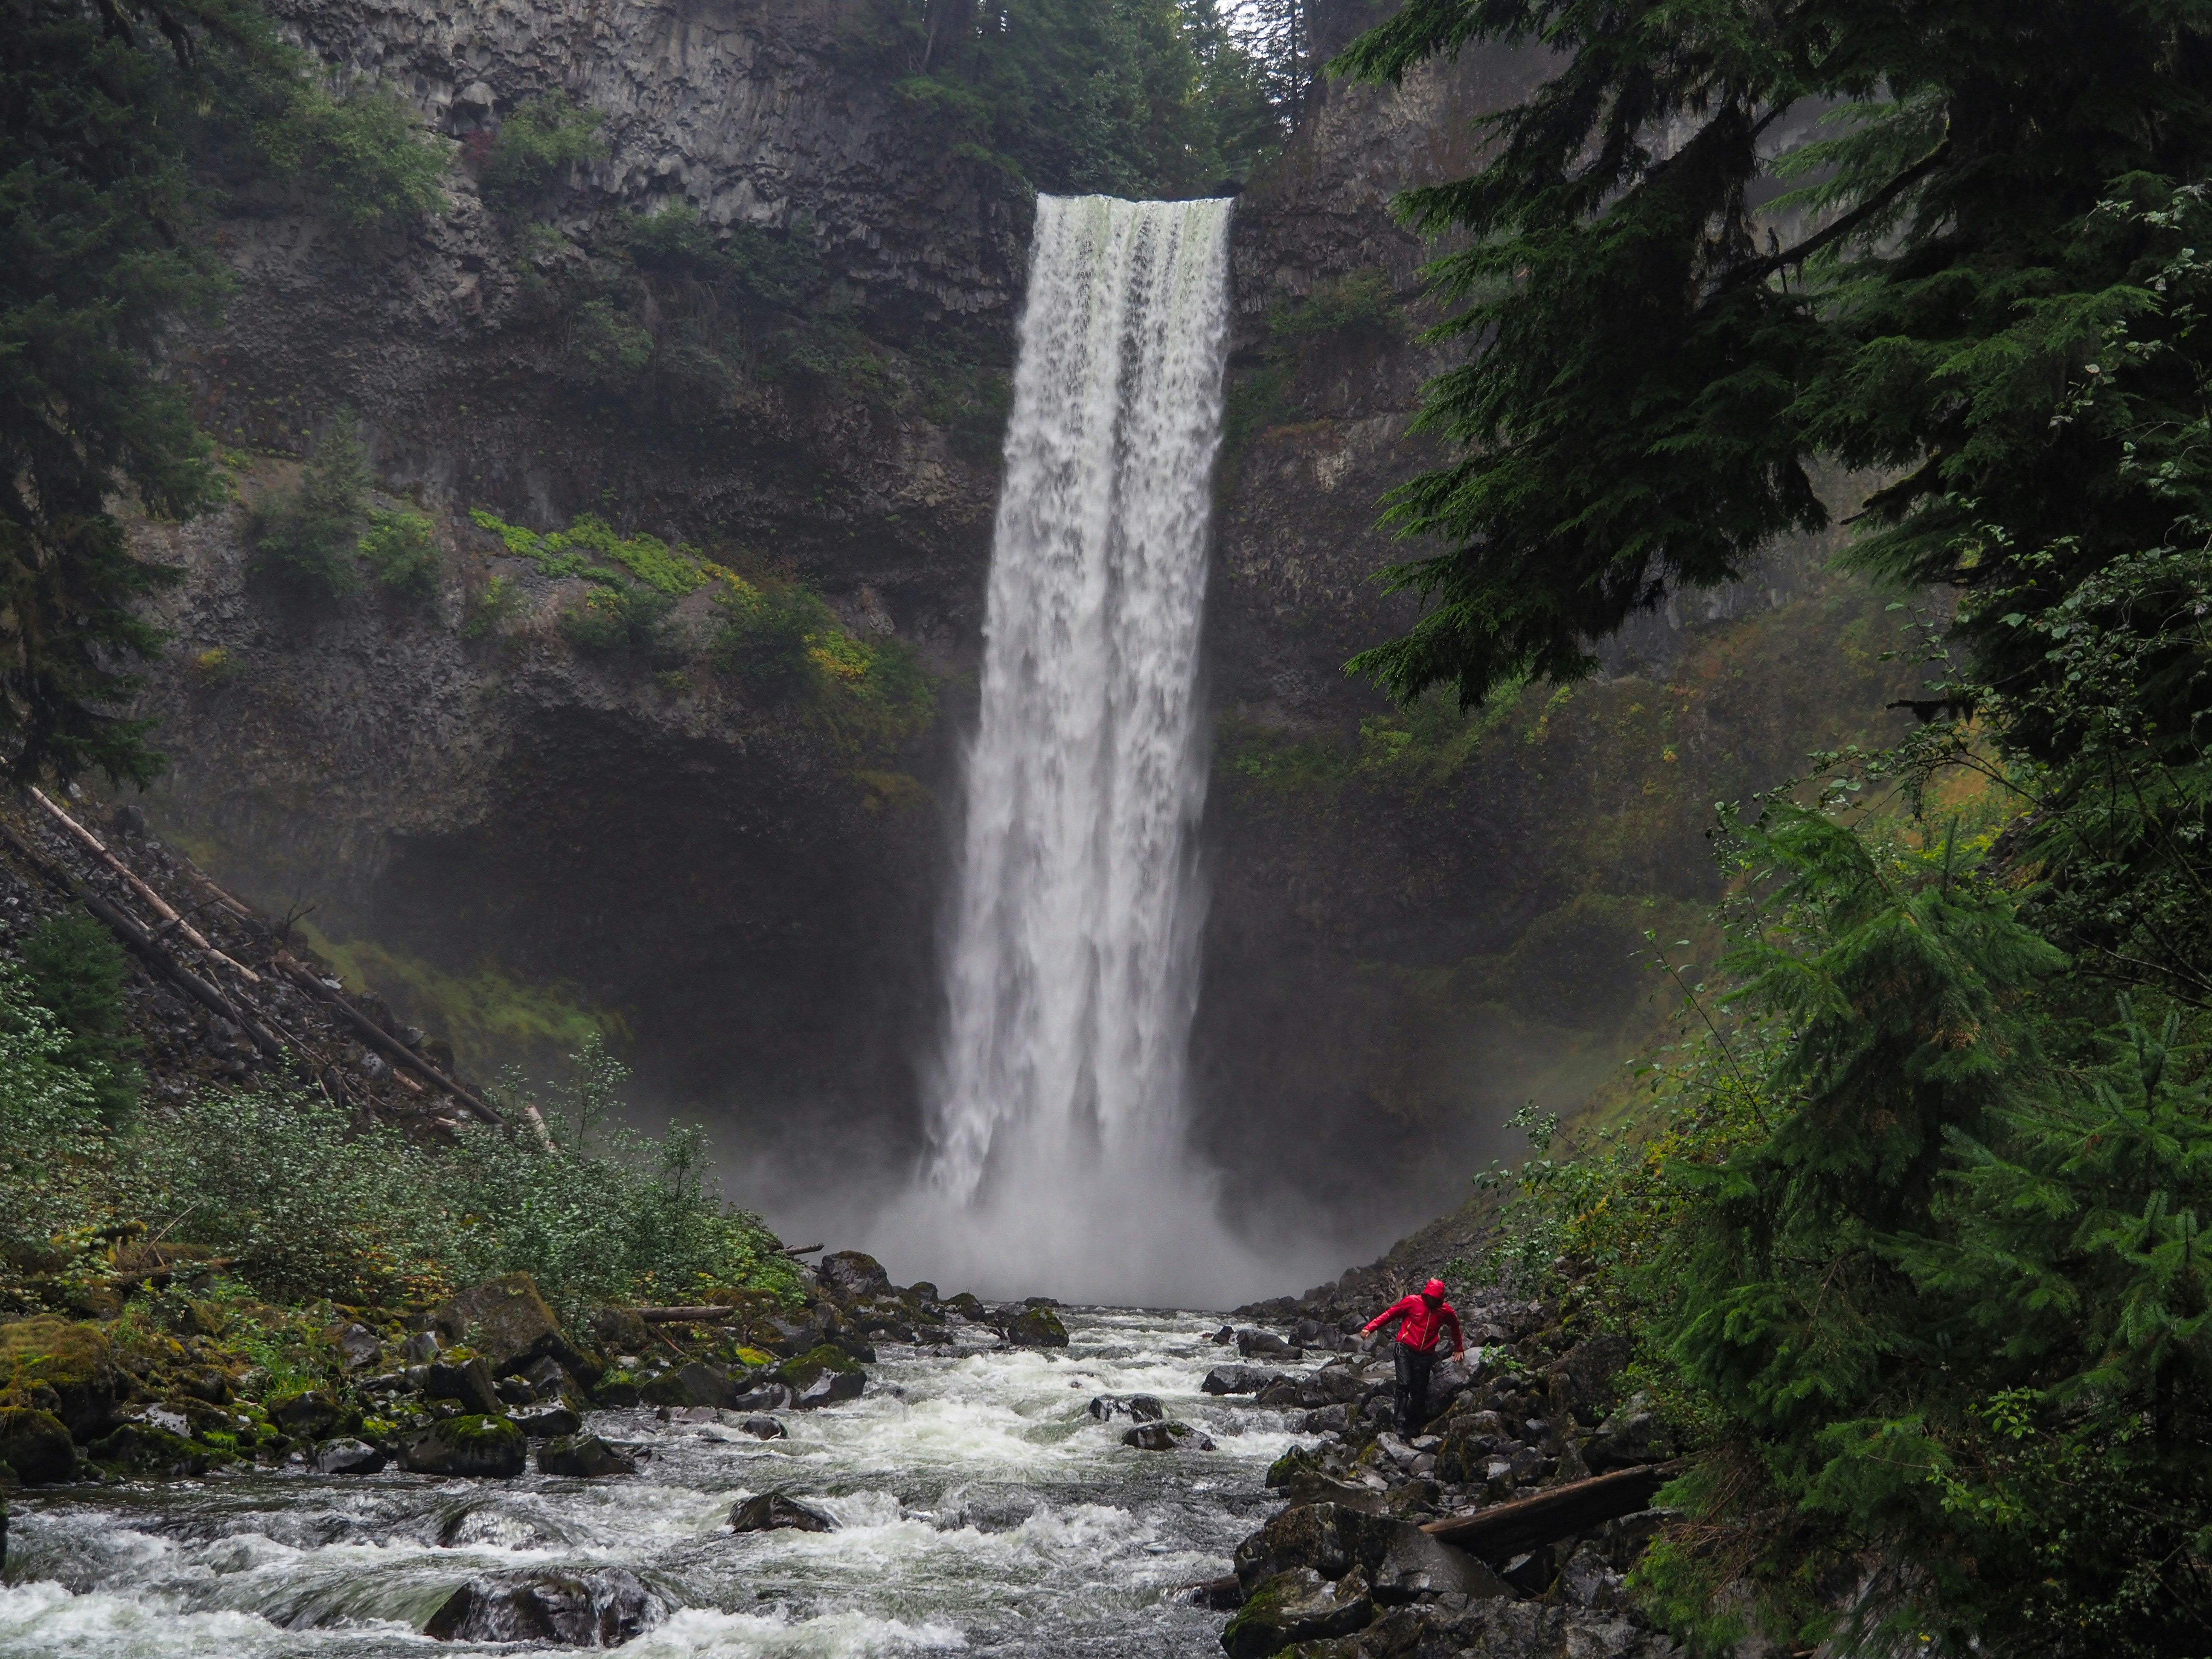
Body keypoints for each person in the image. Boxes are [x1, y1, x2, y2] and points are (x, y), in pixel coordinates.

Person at [1362, 1278, 1464, 1435]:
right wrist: (1370, 1328)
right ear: (1426, 1295)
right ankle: (1400, 1423)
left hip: (1425, 1354)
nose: (1432, 1300)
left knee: (1420, 1391)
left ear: (1440, 1299)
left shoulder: (1446, 1312)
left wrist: (1459, 1348)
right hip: (1404, 1348)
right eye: (1430, 1297)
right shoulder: (1412, 1302)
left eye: (1435, 1298)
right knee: (1404, 1384)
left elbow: (1455, 1327)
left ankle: (1415, 1425)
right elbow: (1391, 1313)